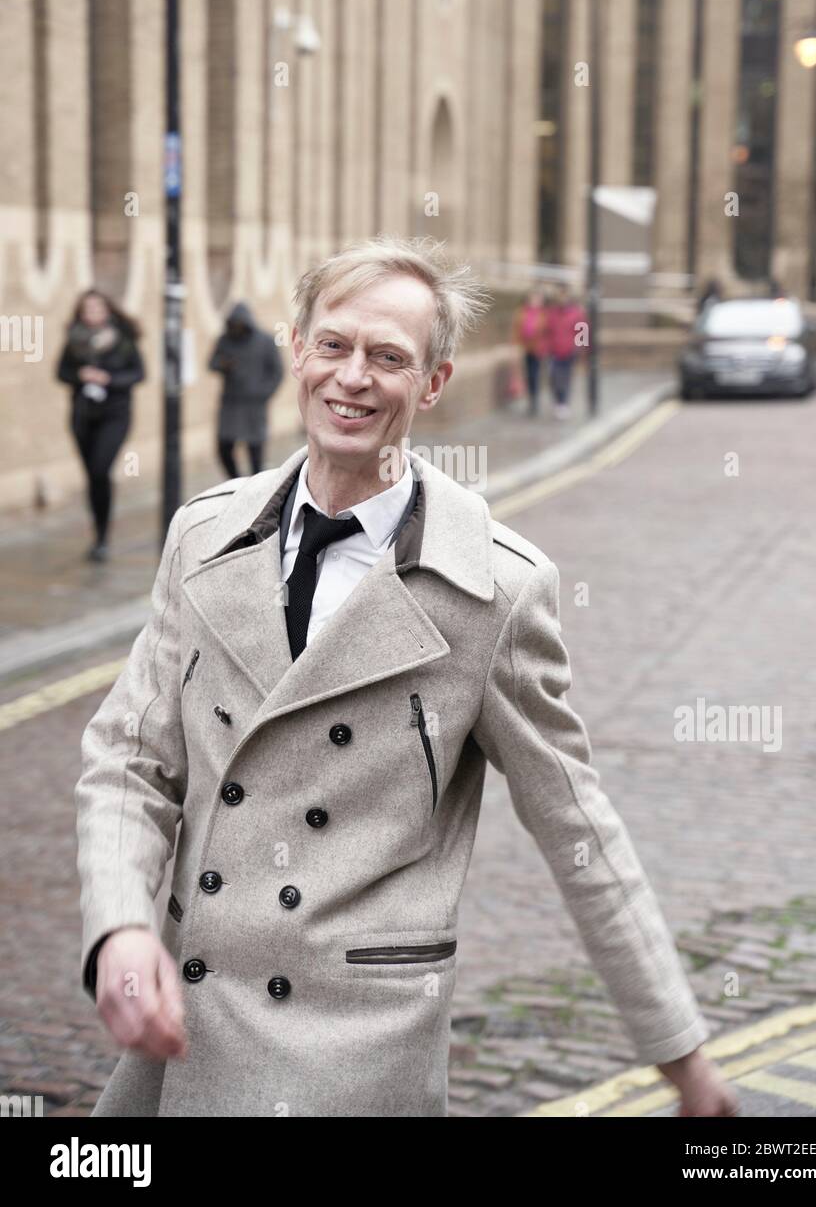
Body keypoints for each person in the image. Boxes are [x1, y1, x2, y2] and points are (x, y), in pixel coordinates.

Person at [75, 235, 736, 1118]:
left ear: (431, 383)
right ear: (297, 350)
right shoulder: (204, 535)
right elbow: (130, 758)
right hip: (181, 1034)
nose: (353, 377)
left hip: (348, 1051)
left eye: (388, 358)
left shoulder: (494, 590)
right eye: (335, 346)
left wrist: (683, 1063)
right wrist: (119, 926)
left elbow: (578, 831)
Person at [56, 289, 145, 561]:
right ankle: (98, 533)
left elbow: (139, 373)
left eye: (97, 308)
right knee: (93, 476)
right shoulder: (74, 340)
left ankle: (103, 535)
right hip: (83, 415)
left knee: (100, 468)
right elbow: (61, 372)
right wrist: (81, 375)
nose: (92, 313)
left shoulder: (123, 340)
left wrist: (109, 379)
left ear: (107, 310)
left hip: (115, 414)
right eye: (87, 309)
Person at [207, 300, 284, 478]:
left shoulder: (265, 341)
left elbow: (277, 372)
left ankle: (256, 488)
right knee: (223, 447)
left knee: (255, 453)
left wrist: (263, 394)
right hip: (231, 404)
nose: (237, 328)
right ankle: (236, 482)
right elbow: (212, 363)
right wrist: (223, 365)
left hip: (254, 406)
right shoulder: (225, 340)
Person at [546, 281, 588, 418]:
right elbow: (546, 331)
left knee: (565, 378)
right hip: (554, 351)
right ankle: (558, 401)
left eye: (564, 294)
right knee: (553, 377)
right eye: (560, 294)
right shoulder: (551, 312)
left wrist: (580, 349)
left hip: (570, 352)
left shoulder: (577, 312)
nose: (562, 297)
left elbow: (582, 331)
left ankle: (563, 403)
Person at [511, 289, 549, 415]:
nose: (535, 301)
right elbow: (517, 330)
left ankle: (534, 400)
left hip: (539, 349)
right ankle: (532, 399)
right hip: (526, 348)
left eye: (537, 299)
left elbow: (548, 333)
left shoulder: (544, 314)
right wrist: (516, 345)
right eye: (533, 298)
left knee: (534, 374)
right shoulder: (522, 312)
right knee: (528, 374)